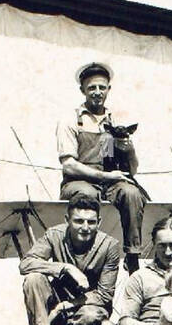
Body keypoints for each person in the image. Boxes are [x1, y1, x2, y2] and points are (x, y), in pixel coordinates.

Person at [57, 61, 146, 274]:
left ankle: (133, 255)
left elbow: (131, 170)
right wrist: (104, 176)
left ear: (108, 89)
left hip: (107, 178)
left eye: (101, 87)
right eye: (91, 88)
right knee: (86, 194)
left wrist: (128, 149)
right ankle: (89, 253)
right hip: (78, 181)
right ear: (83, 91)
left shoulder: (113, 122)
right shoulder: (70, 120)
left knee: (131, 193)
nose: (97, 93)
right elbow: (68, 164)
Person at [19, 196, 120, 325]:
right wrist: (65, 268)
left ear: (99, 222)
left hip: (89, 314)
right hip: (56, 314)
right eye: (79, 221)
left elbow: (104, 295)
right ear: (67, 220)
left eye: (91, 222)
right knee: (33, 279)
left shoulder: (110, 246)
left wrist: (66, 305)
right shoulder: (54, 235)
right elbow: (26, 264)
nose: (85, 227)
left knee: (89, 315)